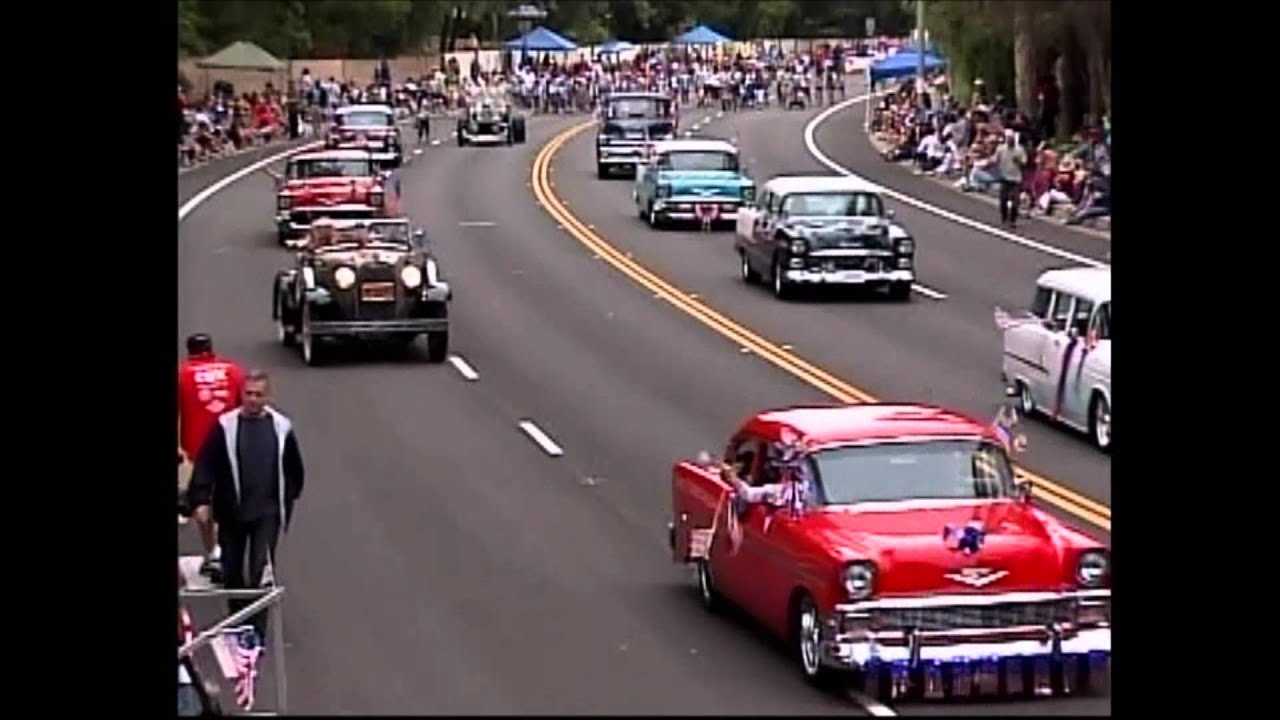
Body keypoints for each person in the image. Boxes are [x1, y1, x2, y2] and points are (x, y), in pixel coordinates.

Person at [187, 370, 305, 639]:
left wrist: (288, 498)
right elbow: (206, 465)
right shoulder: (225, 426)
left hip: (267, 513)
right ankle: (238, 617)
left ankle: (256, 628)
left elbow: (294, 469)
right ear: (241, 394)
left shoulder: (281, 427)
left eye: (258, 395)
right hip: (232, 512)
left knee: (259, 570)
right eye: (248, 394)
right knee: (232, 570)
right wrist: (201, 500)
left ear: (268, 396)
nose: (252, 400)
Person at [178, 333, 246, 580]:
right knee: (228, 499)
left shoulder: (182, 374)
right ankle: (225, 549)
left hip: (197, 451)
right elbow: (243, 405)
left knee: (200, 502)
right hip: (230, 446)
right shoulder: (233, 371)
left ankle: (214, 551)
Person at [993, 129, 1027, 229]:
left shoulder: (1019, 150)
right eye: (1008, 138)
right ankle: (1004, 218)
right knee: (1003, 200)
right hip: (1004, 177)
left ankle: (1012, 220)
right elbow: (996, 160)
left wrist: (1018, 161)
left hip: (1015, 178)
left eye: (1011, 139)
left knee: (1015, 201)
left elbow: (1024, 163)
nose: (1009, 140)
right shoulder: (1001, 149)